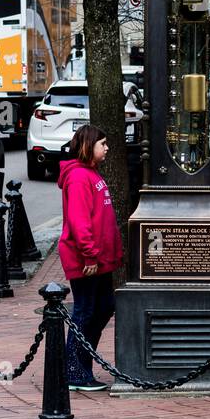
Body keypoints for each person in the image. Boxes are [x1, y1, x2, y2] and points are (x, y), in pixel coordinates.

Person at [58, 124, 123, 392]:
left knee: (104, 306)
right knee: (85, 311)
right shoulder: (79, 178)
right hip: (87, 261)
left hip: (100, 259)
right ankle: (73, 370)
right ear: (88, 146)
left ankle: (82, 364)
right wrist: (90, 255)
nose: (106, 148)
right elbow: (79, 221)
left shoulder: (91, 174)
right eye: (102, 144)